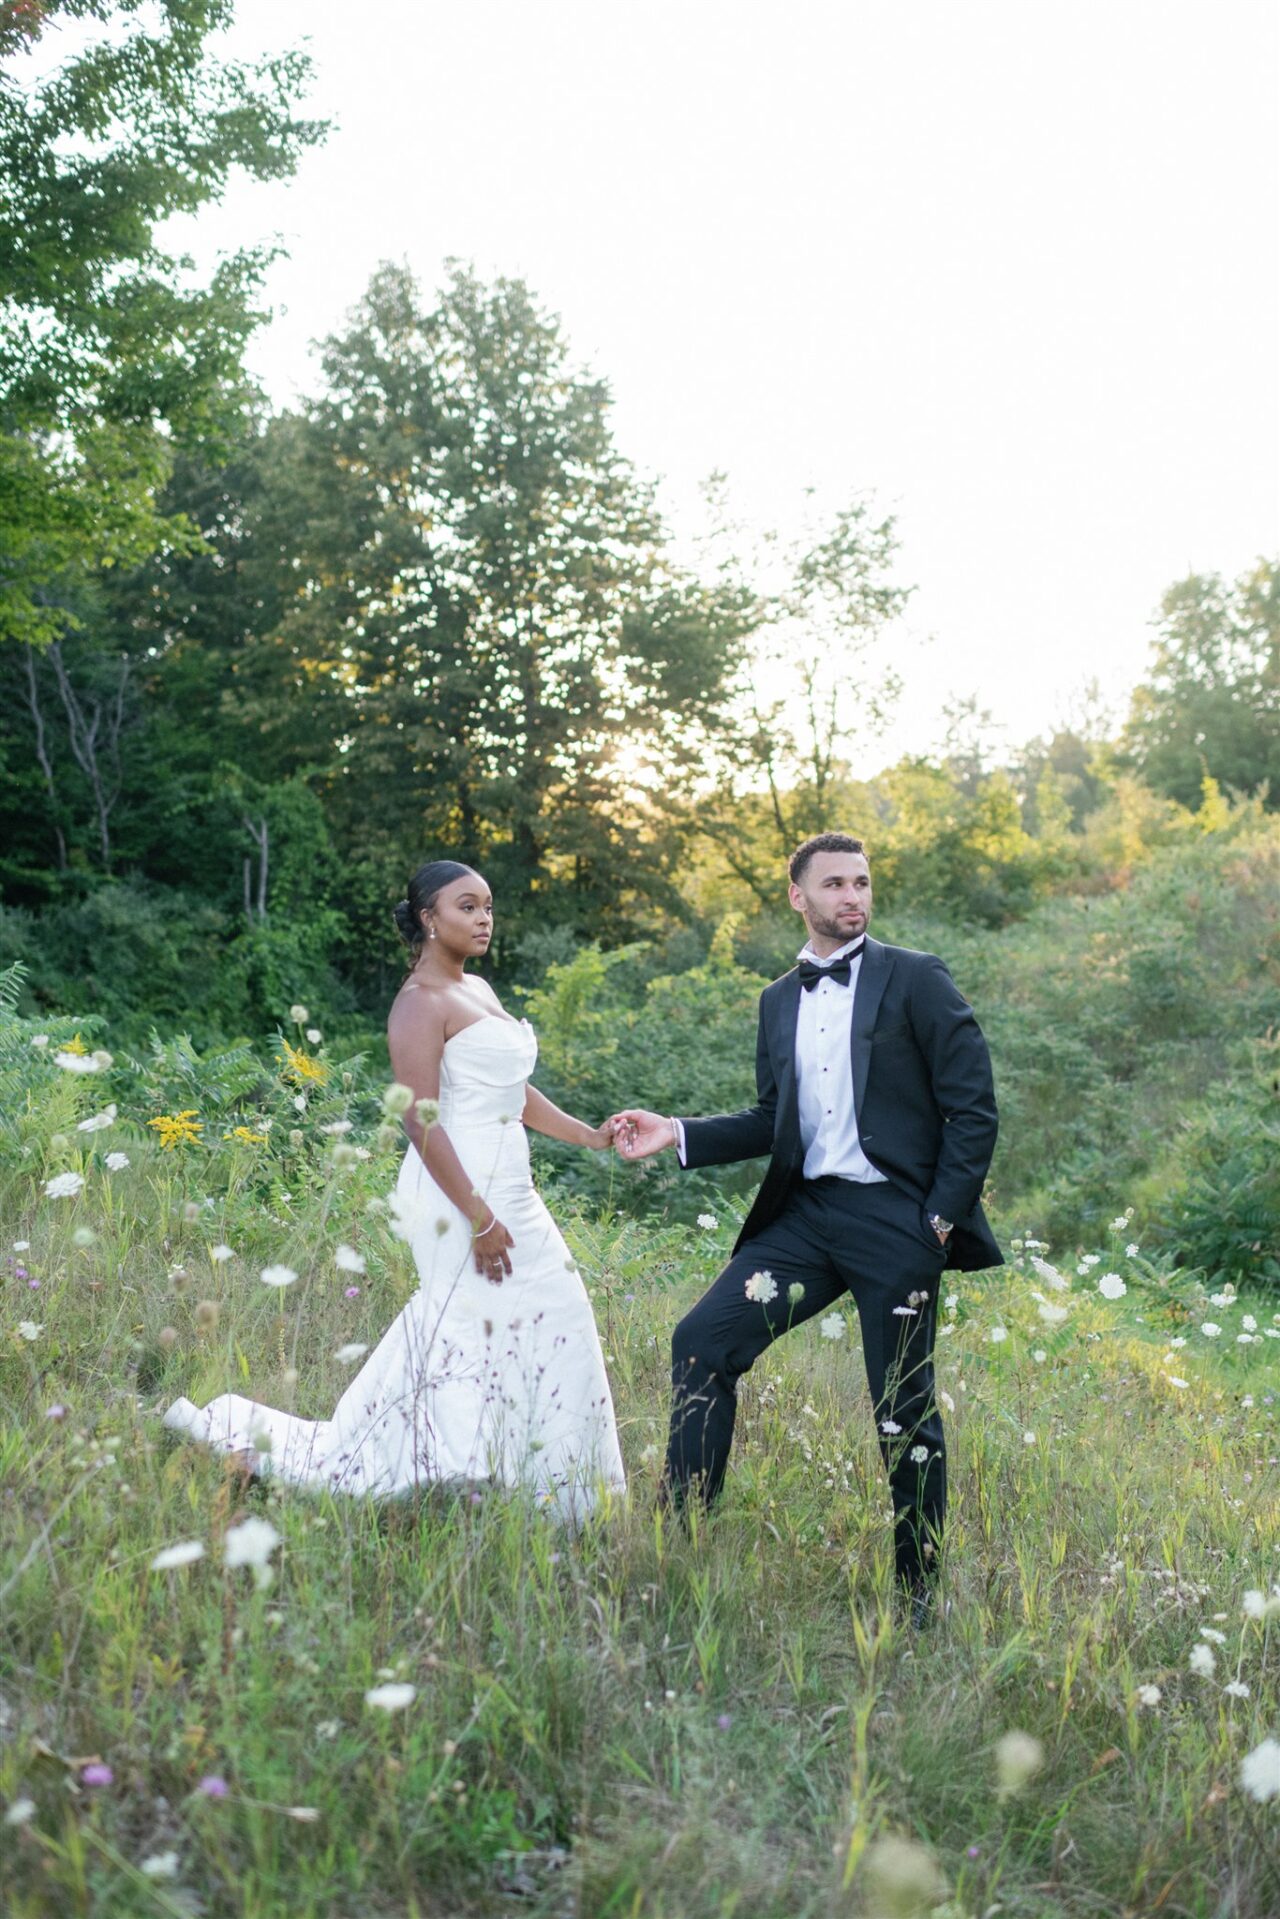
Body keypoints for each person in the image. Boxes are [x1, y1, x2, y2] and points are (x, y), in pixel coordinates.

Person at [611, 832, 1000, 1620]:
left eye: (861, 882)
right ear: (798, 896)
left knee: (902, 1405)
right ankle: (679, 1539)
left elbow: (974, 1107)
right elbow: (769, 1119)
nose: (852, 896)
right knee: (702, 1341)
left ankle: (918, 1594)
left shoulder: (916, 978)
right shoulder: (777, 998)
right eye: (834, 884)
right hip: (807, 1219)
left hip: (898, 1224)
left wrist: (937, 1219)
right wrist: (677, 1132)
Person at [163, 860, 626, 1518]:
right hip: (456, 1189)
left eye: (488, 905)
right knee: (469, 1324)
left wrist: (589, 1135)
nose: (484, 917)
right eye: (466, 906)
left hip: (511, 1183)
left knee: (552, 1314)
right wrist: (478, 1217)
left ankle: (540, 1486)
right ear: (429, 918)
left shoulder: (480, 989)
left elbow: (509, 1091)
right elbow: (418, 1117)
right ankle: (448, 1472)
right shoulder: (418, 1004)